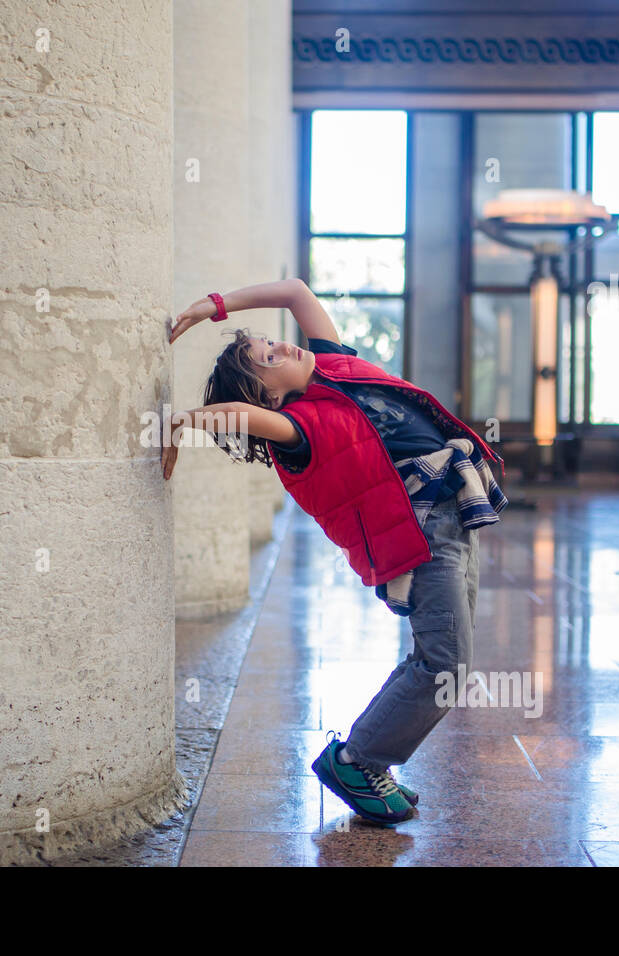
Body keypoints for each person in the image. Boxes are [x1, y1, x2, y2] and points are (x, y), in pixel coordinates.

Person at [163, 278, 507, 826]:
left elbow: (297, 293)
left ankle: (367, 759)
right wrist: (188, 419)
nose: (283, 347)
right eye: (267, 359)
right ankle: (357, 761)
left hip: (457, 519)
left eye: (271, 344)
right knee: (446, 665)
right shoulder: (298, 428)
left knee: (440, 661)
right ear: (269, 395)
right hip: (421, 541)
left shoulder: (333, 367)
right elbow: (246, 416)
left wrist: (214, 306)